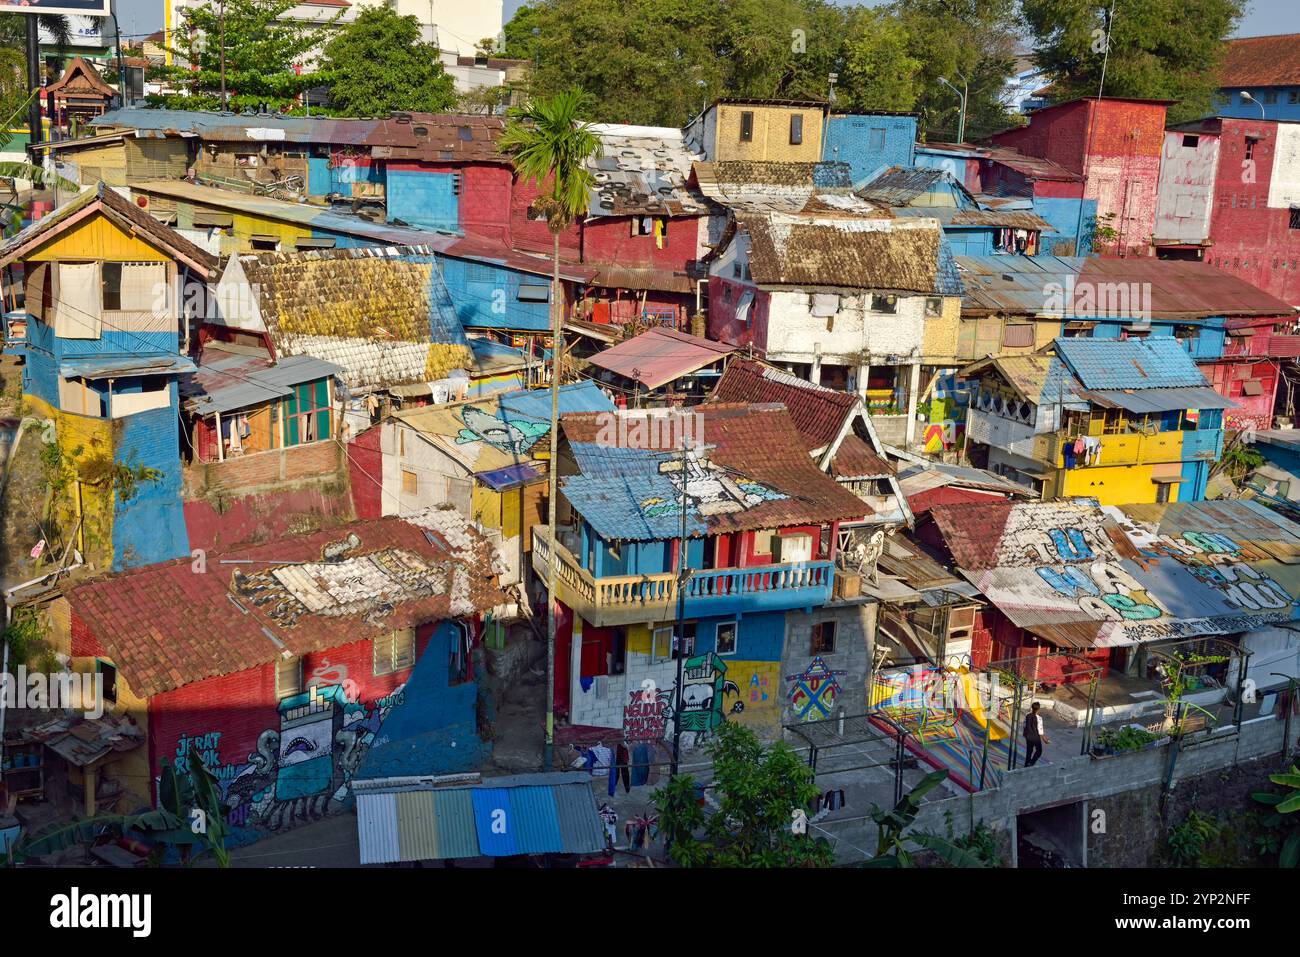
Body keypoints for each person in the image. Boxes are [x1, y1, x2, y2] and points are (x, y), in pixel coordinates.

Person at [1023, 701, 1049, 767]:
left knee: (1029, 751)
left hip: (1028, 736)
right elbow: (1040, 731)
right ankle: (1031, 763)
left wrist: (1025, 733)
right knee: (1039, 751)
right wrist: (1044, 739)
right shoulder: (1039, 718)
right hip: (1035, 737)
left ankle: (1026, 764)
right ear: (1038, 709)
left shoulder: (1027, 715)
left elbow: (1024, 725)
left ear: (1032, 708)